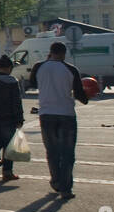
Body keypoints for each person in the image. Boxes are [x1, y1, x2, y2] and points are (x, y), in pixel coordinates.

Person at [29, 42, 88, 200]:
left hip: (46, 114)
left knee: (52, 151)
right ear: (64, 53)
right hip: (66, 114)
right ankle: (66, 188)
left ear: (50, 52)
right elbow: (81, 96)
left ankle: (56, 181)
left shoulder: (39, 67)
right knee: (67, 153)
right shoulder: (71, 69)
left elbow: (32, 83)